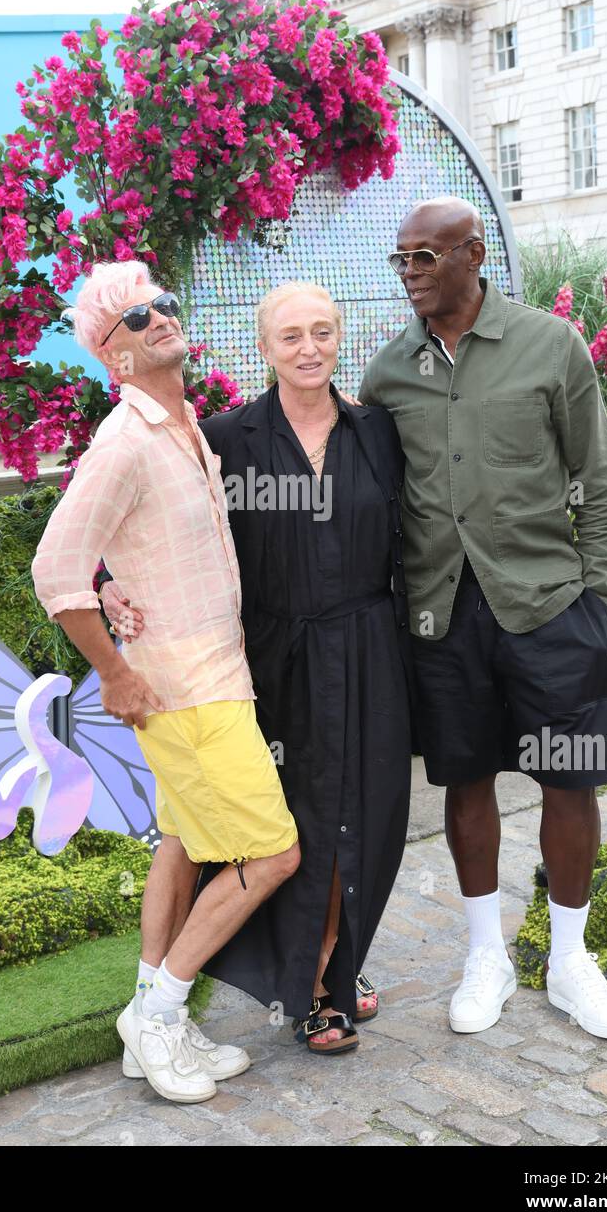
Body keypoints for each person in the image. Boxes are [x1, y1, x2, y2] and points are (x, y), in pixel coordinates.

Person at [103, 281, 413, 1053]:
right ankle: (307, 983)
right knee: (292, 824)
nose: (308, 349)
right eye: (289, 337)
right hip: (266, 660)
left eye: (321, 332)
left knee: (358, 819)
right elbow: (138, 523)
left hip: (369, 645)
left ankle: (337, 970)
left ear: (340, 338)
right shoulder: (224, 438)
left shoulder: (380, 433)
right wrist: (109, 590)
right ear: (265, 348)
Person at [359, 195, 607, 1041]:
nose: (410, 273)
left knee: (571, 780)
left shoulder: (550, 345)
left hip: (552, 609)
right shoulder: (388, 374)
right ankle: (488, 955)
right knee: (465, 779)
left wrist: (602, 602)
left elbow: (603, 479)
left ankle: (569, 960)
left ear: (473, 254)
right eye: (400, 259)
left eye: (426, 257)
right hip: (442, 620)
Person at [31, 259, 300, 1104]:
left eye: (164, 305)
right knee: (273, 853)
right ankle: (162, 1016)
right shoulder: (123, 443)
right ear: (112, 354)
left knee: (184, 844)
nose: (161, 320)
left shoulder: (181, 426)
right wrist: (115, 672)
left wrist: (119, 595)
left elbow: (122, 557)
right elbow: (57, 570)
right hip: (182, 689)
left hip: (213, 672)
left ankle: (149, 1010)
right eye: (138, 319)